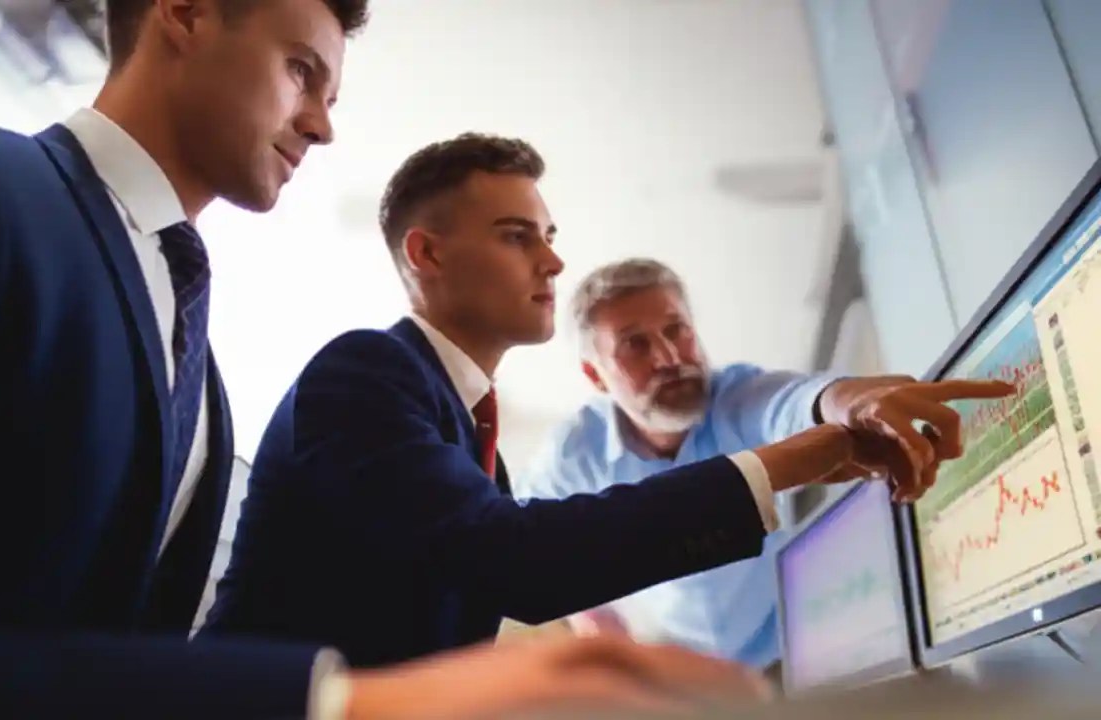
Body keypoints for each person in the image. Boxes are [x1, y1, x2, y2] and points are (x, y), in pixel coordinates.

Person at [0, 1, 777, 717]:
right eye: (300, 71)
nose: (321, 123)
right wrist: (340, 704)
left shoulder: (207, 377)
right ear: (187, 12)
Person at [200, 132, 1013, 669]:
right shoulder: (366, 373)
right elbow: (522, 562)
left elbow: (786, 398)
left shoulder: (466, 431)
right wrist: (808, 457)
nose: (552, 264)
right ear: (428, 254)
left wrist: (838, 409)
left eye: (551, 238)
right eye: (520, 236)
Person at [513, 258, 918, 670]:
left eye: (676, 330)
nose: (669, 357)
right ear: (596, 376)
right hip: (686, 671)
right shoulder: (573, 456)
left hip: (796, 641)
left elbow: (790, 402)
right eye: (635, 344)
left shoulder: (737, 398)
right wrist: (590, 614)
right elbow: (528, 547)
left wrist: (846, 403)